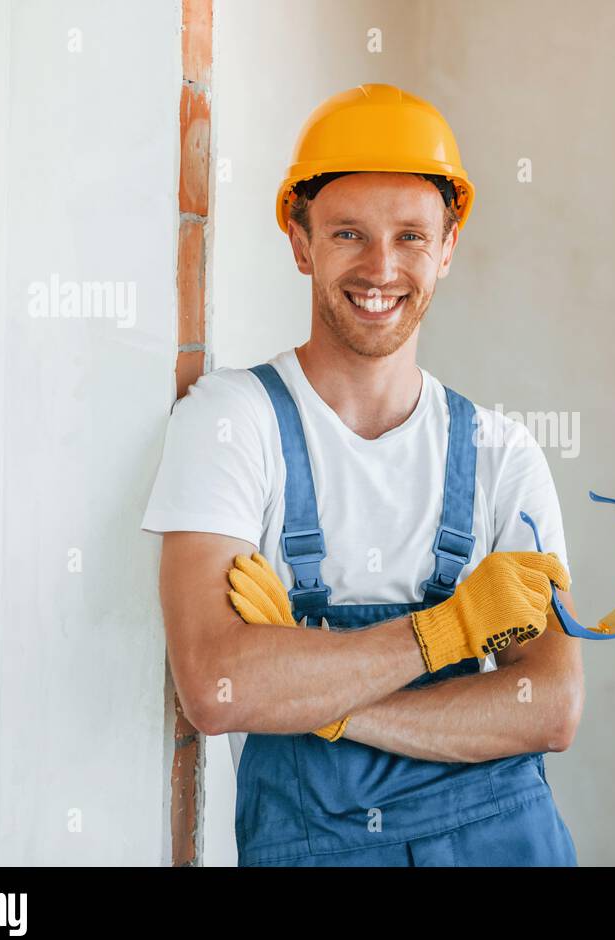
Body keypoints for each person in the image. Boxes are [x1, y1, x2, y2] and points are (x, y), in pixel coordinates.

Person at [141, 83, 583, 866]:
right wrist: (448, 632)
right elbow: (218, 688)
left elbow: (547, 705)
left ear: (448, 248)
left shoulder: (500, 453)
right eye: (349, 232)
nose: (381, 268)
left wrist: (324, 702)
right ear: (300, 241)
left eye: (411, 237)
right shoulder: (232, 422)